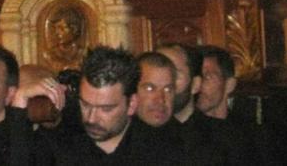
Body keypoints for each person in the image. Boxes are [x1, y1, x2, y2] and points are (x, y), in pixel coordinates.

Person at [38, 46, 181, 163]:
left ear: (131, 104)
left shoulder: (162, 151)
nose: (91, 119)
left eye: (106, 109)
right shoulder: (58, 145)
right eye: (86, 105)